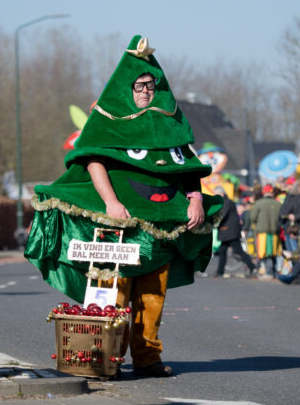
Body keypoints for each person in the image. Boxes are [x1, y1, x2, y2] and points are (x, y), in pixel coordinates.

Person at [25, 36, 222, 378]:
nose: (146, 91)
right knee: (113, 296)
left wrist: (195, 198)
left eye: (151, 84)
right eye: (140, 85)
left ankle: (147, 359)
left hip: (162, 227)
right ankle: (106, 358)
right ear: (127, 88)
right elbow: (92, 161)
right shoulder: (110, 120)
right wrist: (111, 202)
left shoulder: (168, 122)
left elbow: (185, 167)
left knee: (152, 299)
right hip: (118, 230)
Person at [213, 187, 255, 278]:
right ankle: (220, 271)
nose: (214, 196)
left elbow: (222, 215)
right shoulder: (227, 202)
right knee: (223, 251)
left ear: (221, 194)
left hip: (229, 232)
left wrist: (213, 222)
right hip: (227, 232)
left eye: (215, 194)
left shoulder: (227, 202)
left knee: (238, 251)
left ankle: (252, 267)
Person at [249, 184, 282, 278]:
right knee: (273, 252)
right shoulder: (278, 203)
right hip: (275, 232)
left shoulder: (259, 203)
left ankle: (269, 272)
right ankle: (274, 271)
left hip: (262, 232)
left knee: (265, 252)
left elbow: (253, 217)